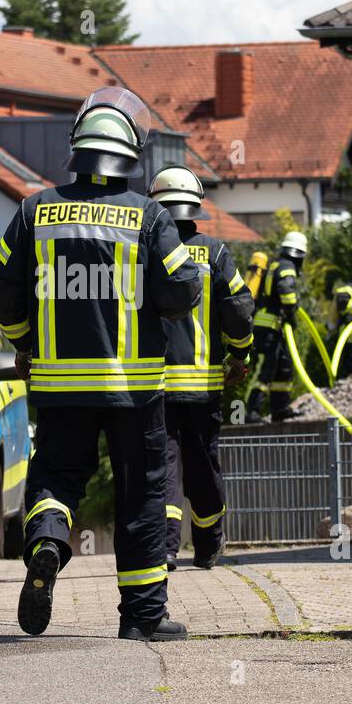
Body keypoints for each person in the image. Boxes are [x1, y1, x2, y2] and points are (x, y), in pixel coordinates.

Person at [0, 87, 203, 643]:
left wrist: (25, 342)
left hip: (57, 388)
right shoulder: (149, 217)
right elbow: (181, 290)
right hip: (134, 391)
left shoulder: (36, 210)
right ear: (130, 154)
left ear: (76, 149)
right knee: (142, 495)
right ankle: (142, 618)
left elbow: (0, 287)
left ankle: (49, 544)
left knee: (56, 478)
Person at [148, 167, 254, 571]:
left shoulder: (144, 251)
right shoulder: (214, 252)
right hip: (203, 387)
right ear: (195, 208)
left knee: (162, 466)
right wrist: (239, 355)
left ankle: (166, 548)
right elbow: (240, 309)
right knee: (203, 464)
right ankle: (208, 545)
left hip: (152, 385)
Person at [246, 231, 308, 423]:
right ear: (299, 255)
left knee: (284, 367)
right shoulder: (287, 267)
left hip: (273, 326)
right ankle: (250, 411)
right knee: (266, 369)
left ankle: (280, 409)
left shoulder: (275, 264)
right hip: (268, 327)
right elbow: (286, 292)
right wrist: (292, 314)